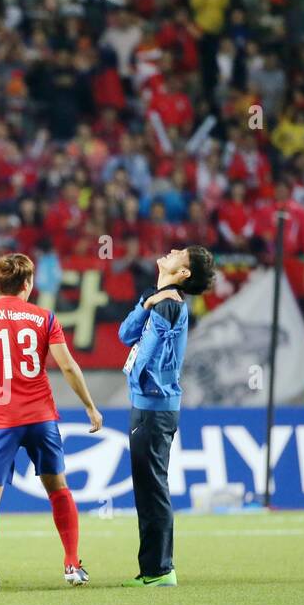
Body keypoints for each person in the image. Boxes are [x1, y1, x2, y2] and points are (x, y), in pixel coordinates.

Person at [0, 253, 103, 593]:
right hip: (40, 417)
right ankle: (71, 564)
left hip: (2, 418)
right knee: (58, 488)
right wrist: (90, 407)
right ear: (28, 284)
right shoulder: (44, 317)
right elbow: (67, 367)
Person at [117, 245, 216, 587]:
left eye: (180, 253)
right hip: (149, 406)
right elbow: (125, 334)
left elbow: (149, 354)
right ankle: (152, 569)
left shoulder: (171, 305)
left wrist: (137, 379)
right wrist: (146, 302)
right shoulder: (159, 298)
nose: (172, 251)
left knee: (153, 488)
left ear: (184, 272)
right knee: (147, 488)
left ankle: (161, 569)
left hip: (153, 407)